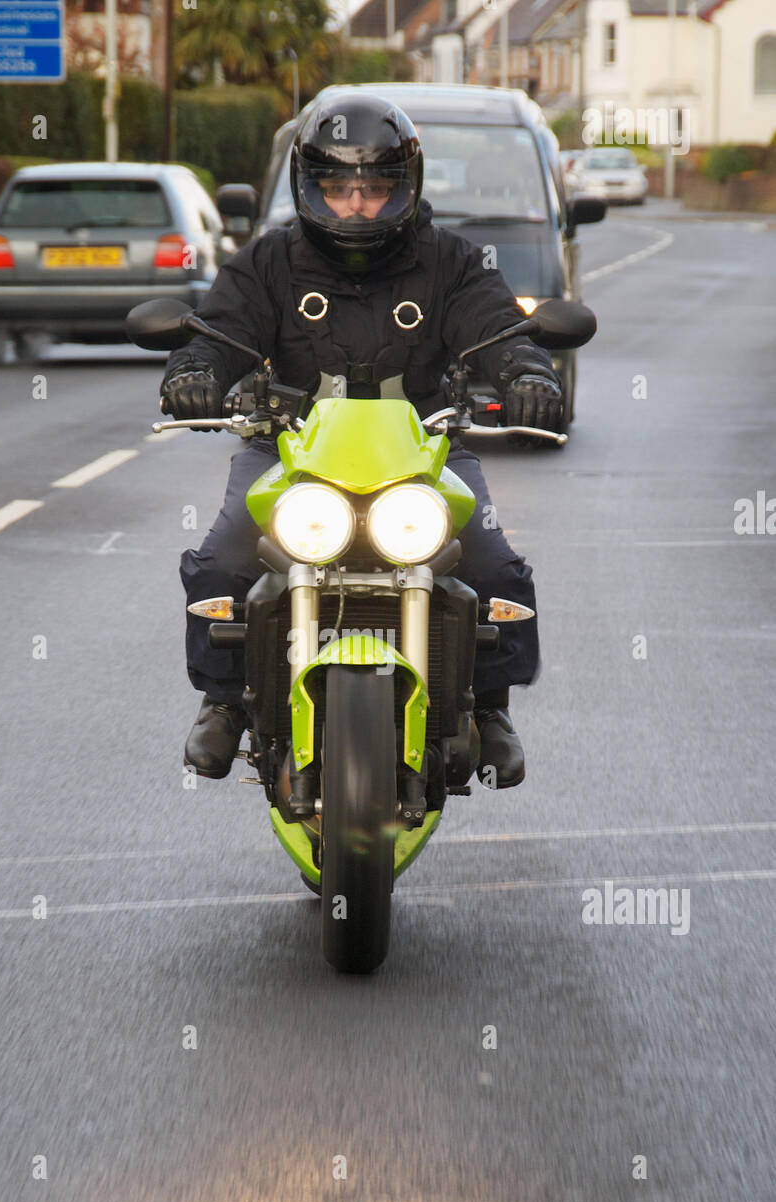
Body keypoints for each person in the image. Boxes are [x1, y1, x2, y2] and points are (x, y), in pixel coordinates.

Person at [160, 93, 562, 785]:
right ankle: (223, 699)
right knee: (225, 559)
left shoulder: (453, 262)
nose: (355, 205)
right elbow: (219, 331)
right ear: (308, 187)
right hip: (289, 451)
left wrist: (528, 374)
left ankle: (490, 706)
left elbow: (498, 327)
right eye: (338, 188)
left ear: (405, 187)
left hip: (425, 453)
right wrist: (193, 372)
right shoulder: (268, 262)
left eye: (375, 189)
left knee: (493, 566)